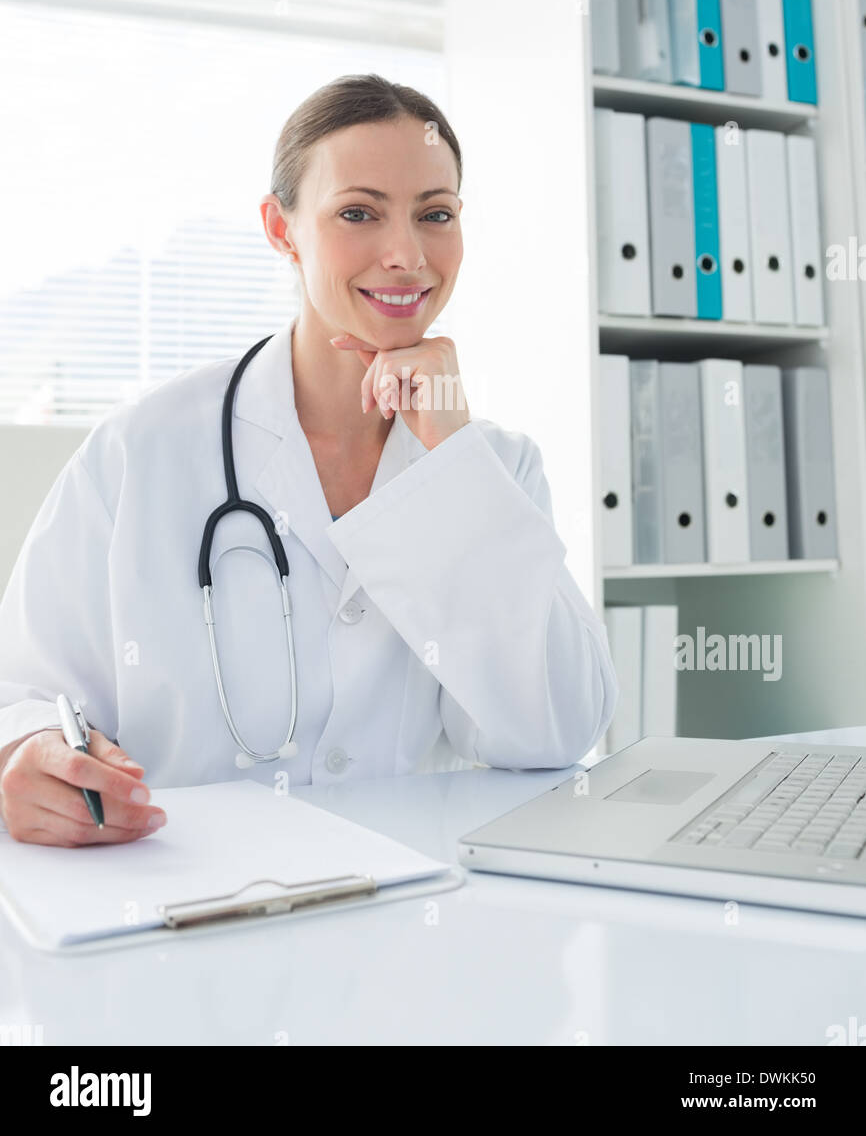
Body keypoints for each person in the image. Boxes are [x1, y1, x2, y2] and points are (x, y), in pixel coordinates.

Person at [0, 73, 617, 847]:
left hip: (402, 911)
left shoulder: (493, 466)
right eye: (358, 212)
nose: (406, 255)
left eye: (437, 215)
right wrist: (25, 758)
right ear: (281, 227)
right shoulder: (136, 453)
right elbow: (23, 696)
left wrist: (452, 462)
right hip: (182, 914)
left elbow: (554, 732)